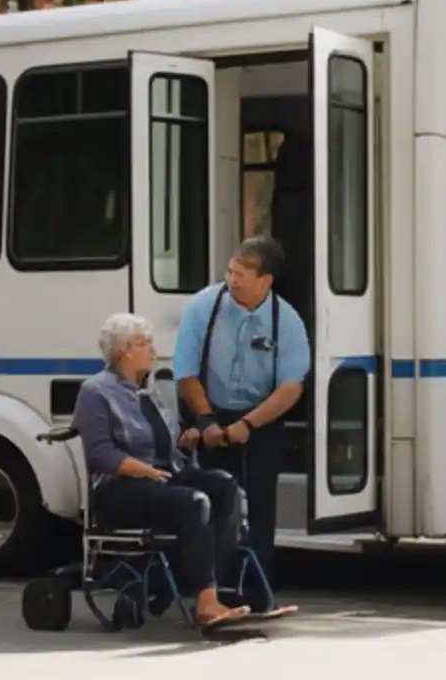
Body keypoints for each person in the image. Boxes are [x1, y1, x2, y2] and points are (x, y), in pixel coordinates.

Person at [71, 312, 251, 629]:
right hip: (120, 487)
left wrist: (184, 442)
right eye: (145, 343)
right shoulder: (95, 392)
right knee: (194, 502)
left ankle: (205, 590)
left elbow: (163, 447)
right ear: (124, 350)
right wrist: (142, 470)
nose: (153, 350)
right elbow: (100, 454)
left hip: (163, 476)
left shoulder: (148, 389)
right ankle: (205, 602)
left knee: (226, 488)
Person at [174, 236, 310, 607]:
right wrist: (206, 422)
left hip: (261, 418)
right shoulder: (204, 306)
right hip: (209, 411)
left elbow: (290, 388)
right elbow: (185, 371)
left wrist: (248, 425)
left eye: (241, 274)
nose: (232, 280)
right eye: (230, 271)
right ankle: (210, 591)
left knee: (260, 507)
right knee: (212, 504)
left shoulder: (287, 321)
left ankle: (257, 590)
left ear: (264, 282)